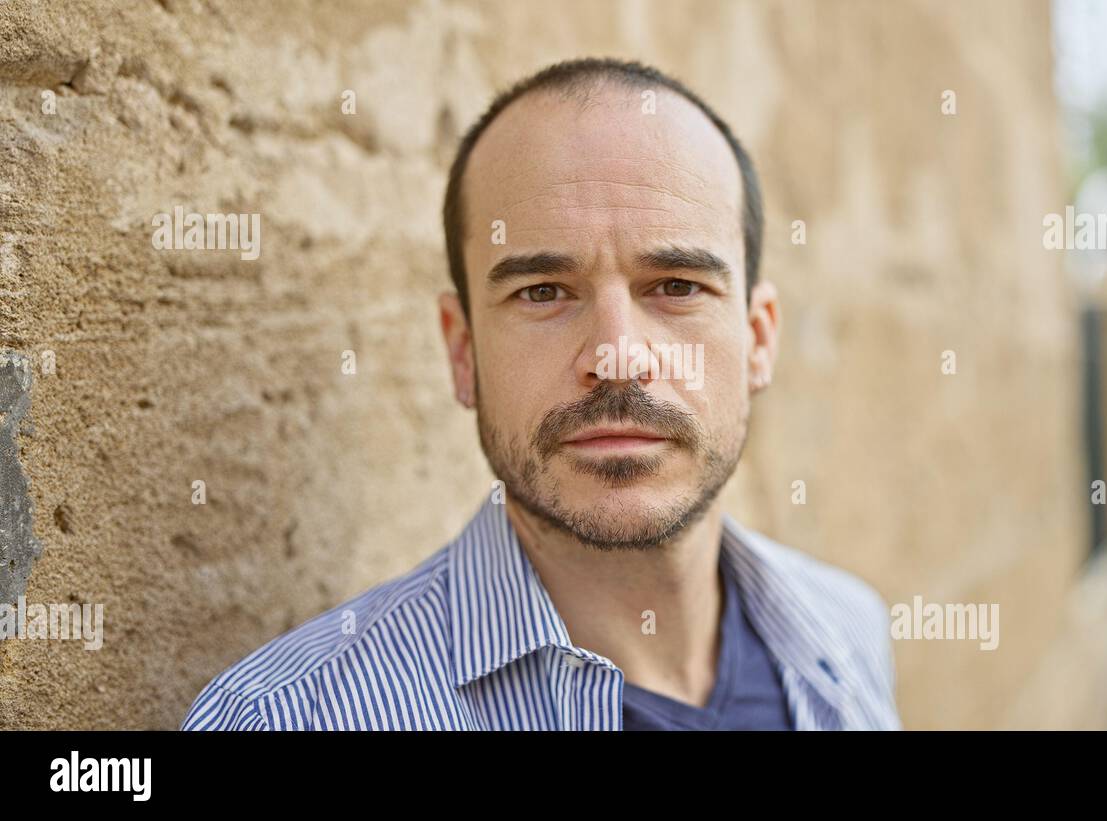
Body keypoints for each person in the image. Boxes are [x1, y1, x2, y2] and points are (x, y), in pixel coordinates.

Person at [182, 57, 899, 731]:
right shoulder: (292, 719)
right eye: (544, 291)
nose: (617, 358)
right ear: (462, 351)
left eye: (677, 286)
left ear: (759, 338)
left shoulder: (843, 629)